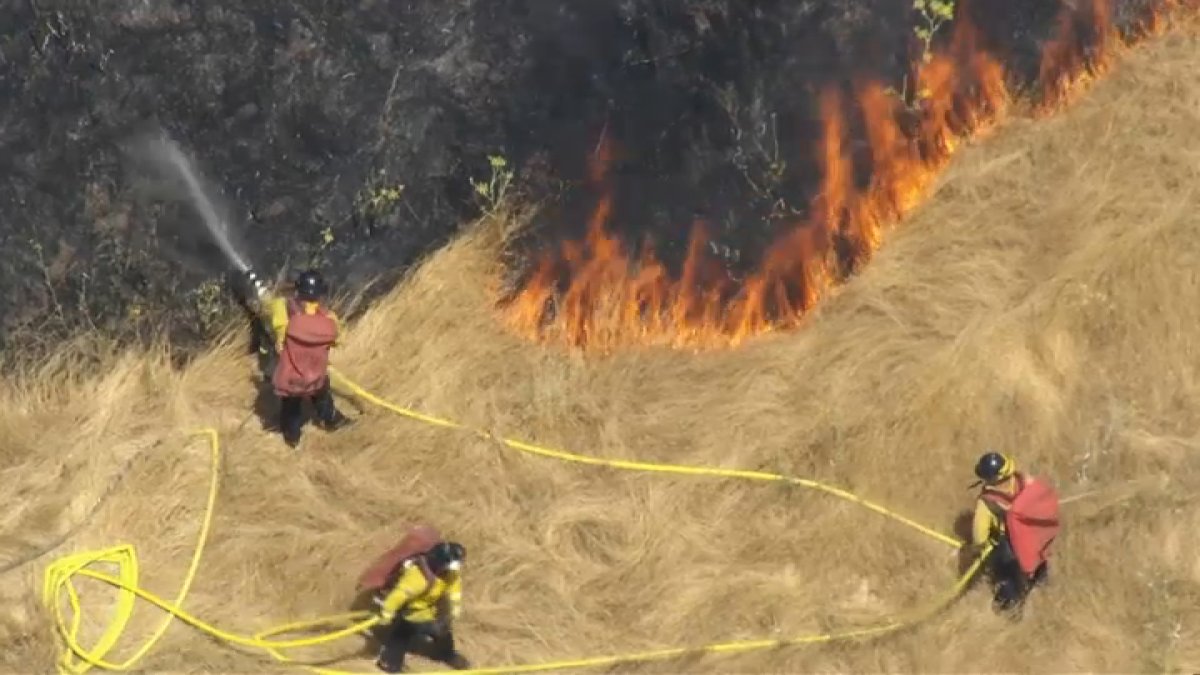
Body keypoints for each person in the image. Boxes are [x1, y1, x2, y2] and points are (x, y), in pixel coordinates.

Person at [267, 269, 351, 448]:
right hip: (316, 375)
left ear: (298, 290)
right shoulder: (329, 319)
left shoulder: (284, 311)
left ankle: (292, 437)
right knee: (322, 396)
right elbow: (339, 339)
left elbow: (279, 332)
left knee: (291, 407)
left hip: (290, 377)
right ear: (320, 294)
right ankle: (330, 420)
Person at [969, 451, 1060, 613]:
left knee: (1007, 576)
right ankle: (1041, 584)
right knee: (1038, 563)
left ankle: (1009, 608)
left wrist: (977, 549)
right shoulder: (1025, 481)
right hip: (1034, 535)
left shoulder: (986, 503)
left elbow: (980, 537)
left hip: (1009, 545)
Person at [370, 541, 472, 673]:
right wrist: (387, 614)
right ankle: (389, 662)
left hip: (429, 612)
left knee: (443, 632)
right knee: (400, 637)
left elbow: (454, 591)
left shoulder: (449, 574)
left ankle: (447, 655)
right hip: (409, 613)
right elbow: (397, 597)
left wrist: (454, 610)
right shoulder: (417, 578)